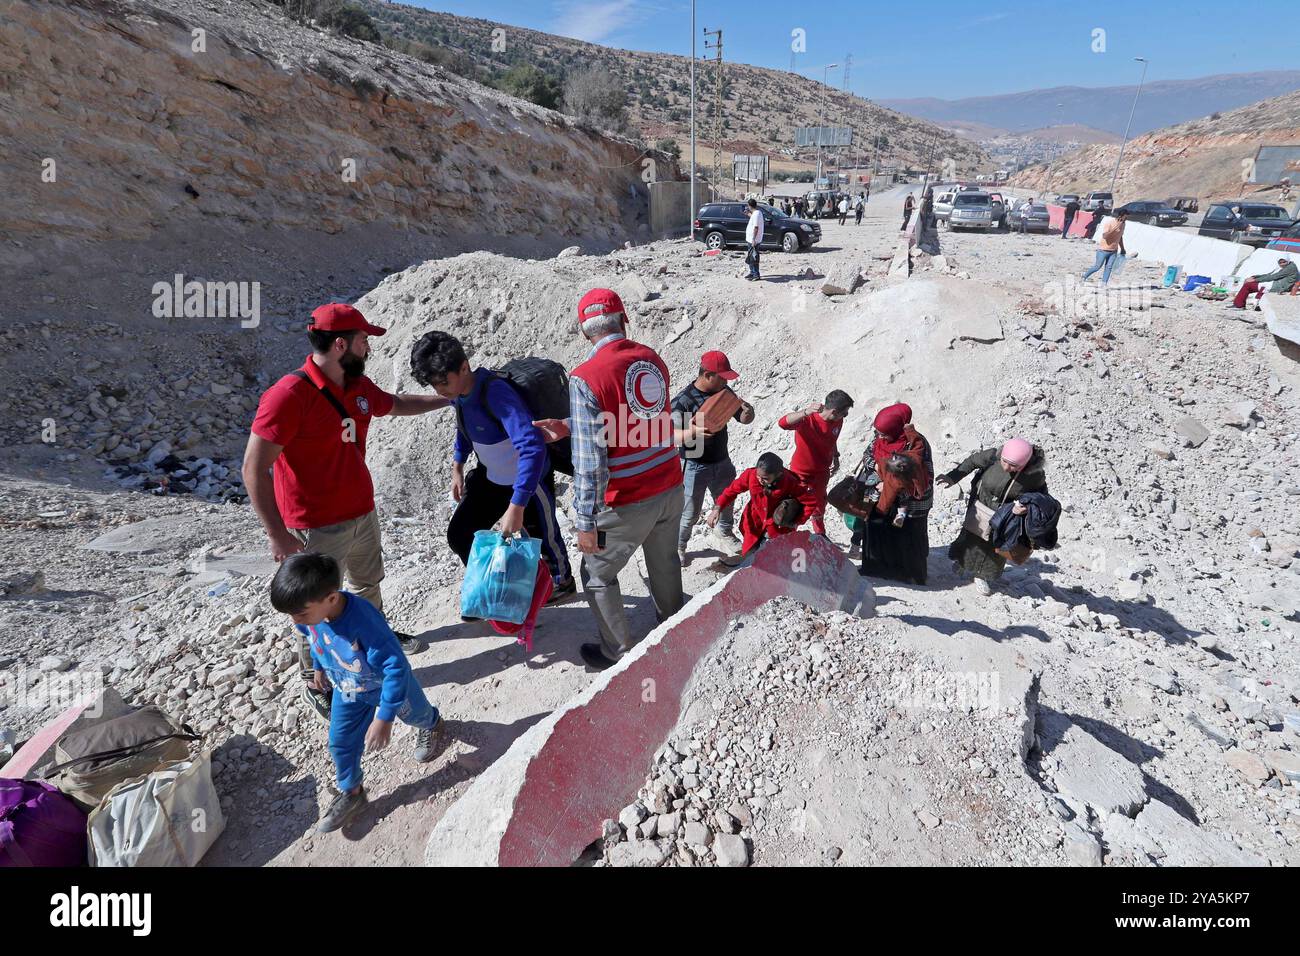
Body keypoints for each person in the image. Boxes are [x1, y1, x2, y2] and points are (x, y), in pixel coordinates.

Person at [244, 303, 448, 725]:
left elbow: (394, 404)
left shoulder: (356, 385)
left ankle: (371, 645)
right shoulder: (288, 395)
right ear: (341, 344)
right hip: (314, 527)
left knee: (367, 585)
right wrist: (277, 534)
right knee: (312, 607)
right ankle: (314, 680)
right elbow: (253, 468)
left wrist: (445, 399)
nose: (368, 346)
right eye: (363, 340)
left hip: (361, 514)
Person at [562, 289, 698, 671]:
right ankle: (674, 622)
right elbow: (638, 416)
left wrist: (586, 522)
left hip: (627, 499)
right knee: (664, 559)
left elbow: (589, 462)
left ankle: (617, 652)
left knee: (596, 572)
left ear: (584, 332)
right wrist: (572, 424)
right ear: (624, 320)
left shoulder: (584, 378)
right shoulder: (652, 359)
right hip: (670, 485)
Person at [270, 553, 445, 833]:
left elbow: (396, 668)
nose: (295, 621)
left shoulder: (364, 622)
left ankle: (434, 724)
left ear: (330, 598)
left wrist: (385, 717)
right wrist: (319, 667)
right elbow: (318, 640)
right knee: (340, 741)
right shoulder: (311, 615)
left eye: (300, 613)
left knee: (418, 716)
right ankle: (352, 792)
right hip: (349, 688)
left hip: (385, 688)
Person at [408, 331, 575, 604]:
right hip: (492, 477)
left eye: (442, 382)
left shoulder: (496, 393)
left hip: (528, 481)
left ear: (464, 367)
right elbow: (464, 427)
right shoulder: (459, 394)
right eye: (433, 385)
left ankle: (562, 583)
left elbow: (531, 447)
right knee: (460, 534)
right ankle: (501, 589)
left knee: (543, 539)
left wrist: (517, 505)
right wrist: (458, 466)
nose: (439, 391)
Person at [671, 351, 756, 562]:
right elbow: (668, 435)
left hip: (722, 460)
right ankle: (679, 547)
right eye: (722, 377)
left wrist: (748, 412)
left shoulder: (723, 391)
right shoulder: (684, 401)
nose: (726, 381)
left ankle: (724, 532)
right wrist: (692, 432)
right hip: (694, 464)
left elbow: (743, 418)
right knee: (690, 511)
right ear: (708, 375)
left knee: (726, 501)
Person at [937, 437, 1047, 593]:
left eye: (1014, 465)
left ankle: (982, 576)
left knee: (995, 546)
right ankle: (962, 562)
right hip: (981, 504)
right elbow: (972, 461)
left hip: (1007, 514)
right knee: (972, 535)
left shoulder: (1035, 475)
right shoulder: (993, 456)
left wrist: (1025, 507)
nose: (1007, 467)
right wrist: (952, 477)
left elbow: (1040, 496)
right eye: (1005, 462)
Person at [854, 403, 933, 586]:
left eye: (884, 433)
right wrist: (877, 471)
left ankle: (908, 574)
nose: (880, 436)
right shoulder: (879, 439)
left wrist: (892, 483)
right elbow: (868, 455)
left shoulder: (915, 443)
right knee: (876, 528)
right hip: (881, 492)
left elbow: (918, 475)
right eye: (879, 432)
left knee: (908, 534)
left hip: (909, 499)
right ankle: (876, 568)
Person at [708, 452, 816, 559]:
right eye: (758, 476)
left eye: (765, 478)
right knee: (751, 556)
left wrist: (796, 521)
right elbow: (731, 491)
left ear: (778, 474)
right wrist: (717, 508)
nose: (760, 480)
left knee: (775, 558)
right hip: (753, 525)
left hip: (776, 528)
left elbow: (810, 502)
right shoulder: (750, 475)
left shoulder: (789, 481)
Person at [778, 390, 854, 537]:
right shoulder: (807, 420)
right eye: (844, 413)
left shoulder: (838, 420)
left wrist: (836, 456)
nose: (845, 416)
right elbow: (782, 423)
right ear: (833, 411)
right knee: (796, 504)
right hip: (801, 472)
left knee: (819, 504)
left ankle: (820, 533)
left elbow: (832, 439)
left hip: (822, 472)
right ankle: (788, 534)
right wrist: (805, 412)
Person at [1082, 208, 1128, 285]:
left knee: (1109, 267)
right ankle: (1084, 276)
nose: (1126, 219)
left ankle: (1104, 283)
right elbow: (1105, 236)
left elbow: (1120, 237)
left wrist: (1122, 248)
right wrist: (1116, 227)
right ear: (1120, 216)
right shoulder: (1109, 223)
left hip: (1114, 250)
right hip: (1103, 250)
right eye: (1125, 217)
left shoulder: (1123, 224)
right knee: (1097, 266)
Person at [1232, 258, 1298, 310]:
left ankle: (1239, 305)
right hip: (1275, 283)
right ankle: (1239, 303)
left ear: (1288, 260)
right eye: (1280, 263)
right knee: (1249, 285)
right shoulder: (1286, 266)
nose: (1282, 264)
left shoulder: (1289, 268)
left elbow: (1273, 277)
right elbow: (1269, 275)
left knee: (1248, 285)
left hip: (1277, 286)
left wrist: (1255, 280)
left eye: (1284, 262)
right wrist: (1255, 276)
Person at [744, 197, 764, 281]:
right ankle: (752, 272)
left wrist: (753, 239)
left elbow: (756, 227)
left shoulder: (756, 214)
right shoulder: (756, 213)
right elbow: (754, 219)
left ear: (749, 206)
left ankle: (756, 274)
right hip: (751, 239)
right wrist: (748, 214)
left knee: (754, 257)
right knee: (751, 256)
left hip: (754, 240)